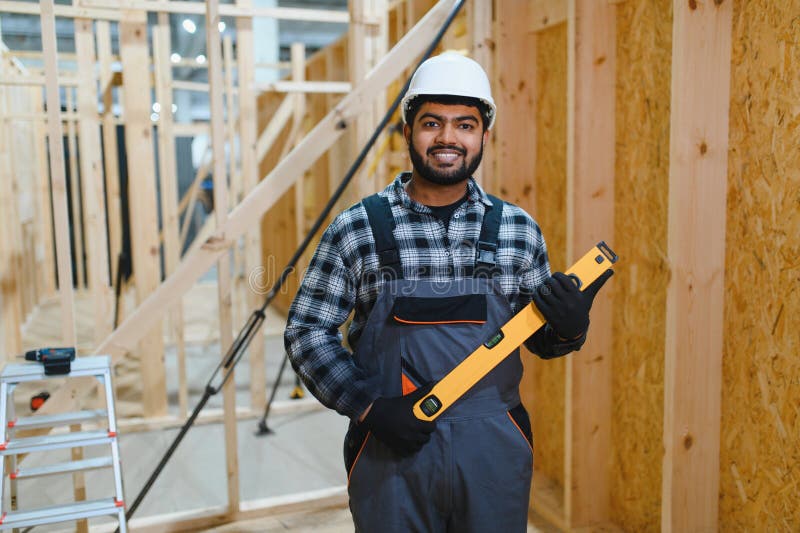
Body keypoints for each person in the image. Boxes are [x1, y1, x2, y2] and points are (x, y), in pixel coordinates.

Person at [284, 52, 613, 533]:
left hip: (493, 451)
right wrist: (368, 404)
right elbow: (307, 330)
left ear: (483, 136)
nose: (447, 138)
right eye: (431, 123)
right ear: (408, 133)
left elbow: (539, 340)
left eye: (465, 124)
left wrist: (569, 328)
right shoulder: (358, 228)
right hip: (392, 448)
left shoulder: (517, 231)